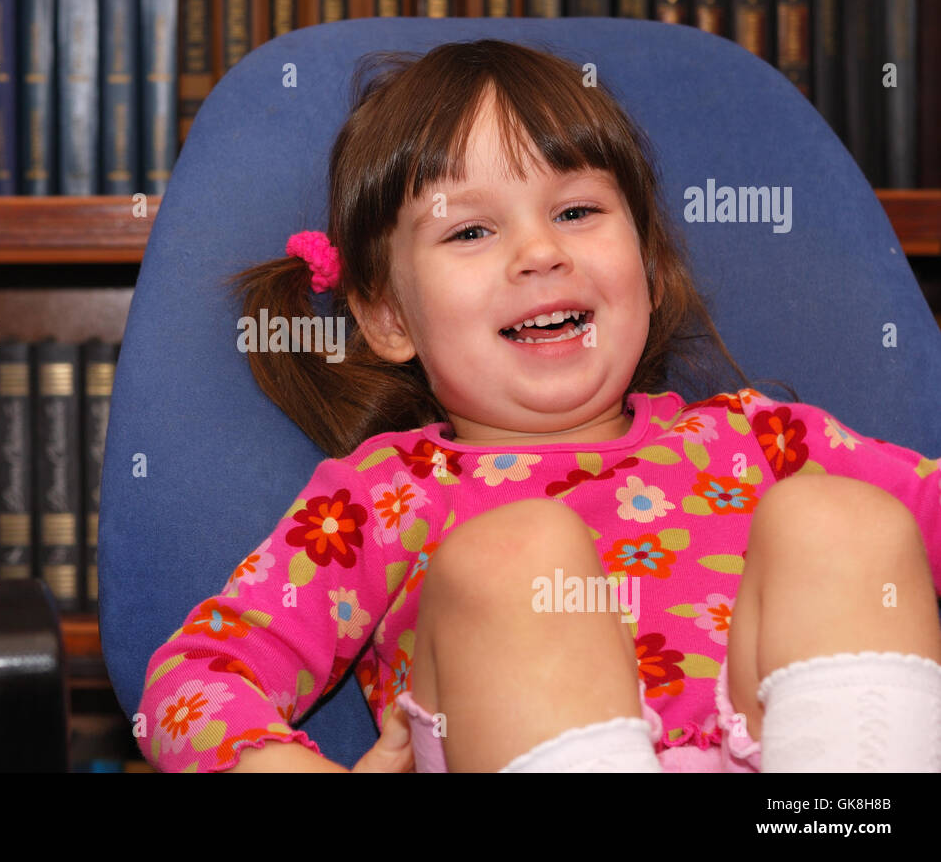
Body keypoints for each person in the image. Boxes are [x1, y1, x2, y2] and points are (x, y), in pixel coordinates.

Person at [136, 38, 941, 773]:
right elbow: (198, 676)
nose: (540, 252)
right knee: (520, 553)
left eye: (576, 212)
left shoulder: (761, 439)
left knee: (846, 521)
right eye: (470, 232)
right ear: (387, 317)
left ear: (650, 270)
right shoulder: (385, 495)